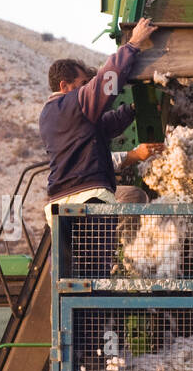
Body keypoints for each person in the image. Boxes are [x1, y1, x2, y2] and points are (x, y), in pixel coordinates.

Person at [40, 17, 159, 235]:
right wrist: (132, 45)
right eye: (83, 84)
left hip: (58, 205)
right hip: (89, 200)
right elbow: (107, 81)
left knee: (70, 268)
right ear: (64, 86)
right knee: (97, 265)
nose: (86, 89)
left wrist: (134, 109)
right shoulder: (74, 103)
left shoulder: (49, 115)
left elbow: (106, 126)